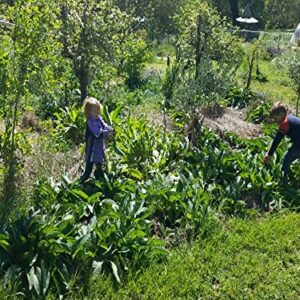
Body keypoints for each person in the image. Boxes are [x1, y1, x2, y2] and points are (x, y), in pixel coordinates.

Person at [80, 97, 113, 183]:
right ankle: (81, 181)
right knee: (89, 166)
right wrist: (106, 133)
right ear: (88, 112)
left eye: (97, 110)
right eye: (94, 111)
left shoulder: (98, 118)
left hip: (98, 146)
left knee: (99, 163)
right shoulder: (90, 121)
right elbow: (97, 133)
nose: (96, 113)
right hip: (92, 147)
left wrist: (110, 129)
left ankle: (100, 179)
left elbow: (104, 125)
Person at [264, 102, 300, 179]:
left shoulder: (285, 123)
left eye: (276, 118)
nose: (275, 121)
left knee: (286, 159)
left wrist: (269, 154)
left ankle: (284, 181)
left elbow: (277, 139)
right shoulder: (289, 117)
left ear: (281, 114)